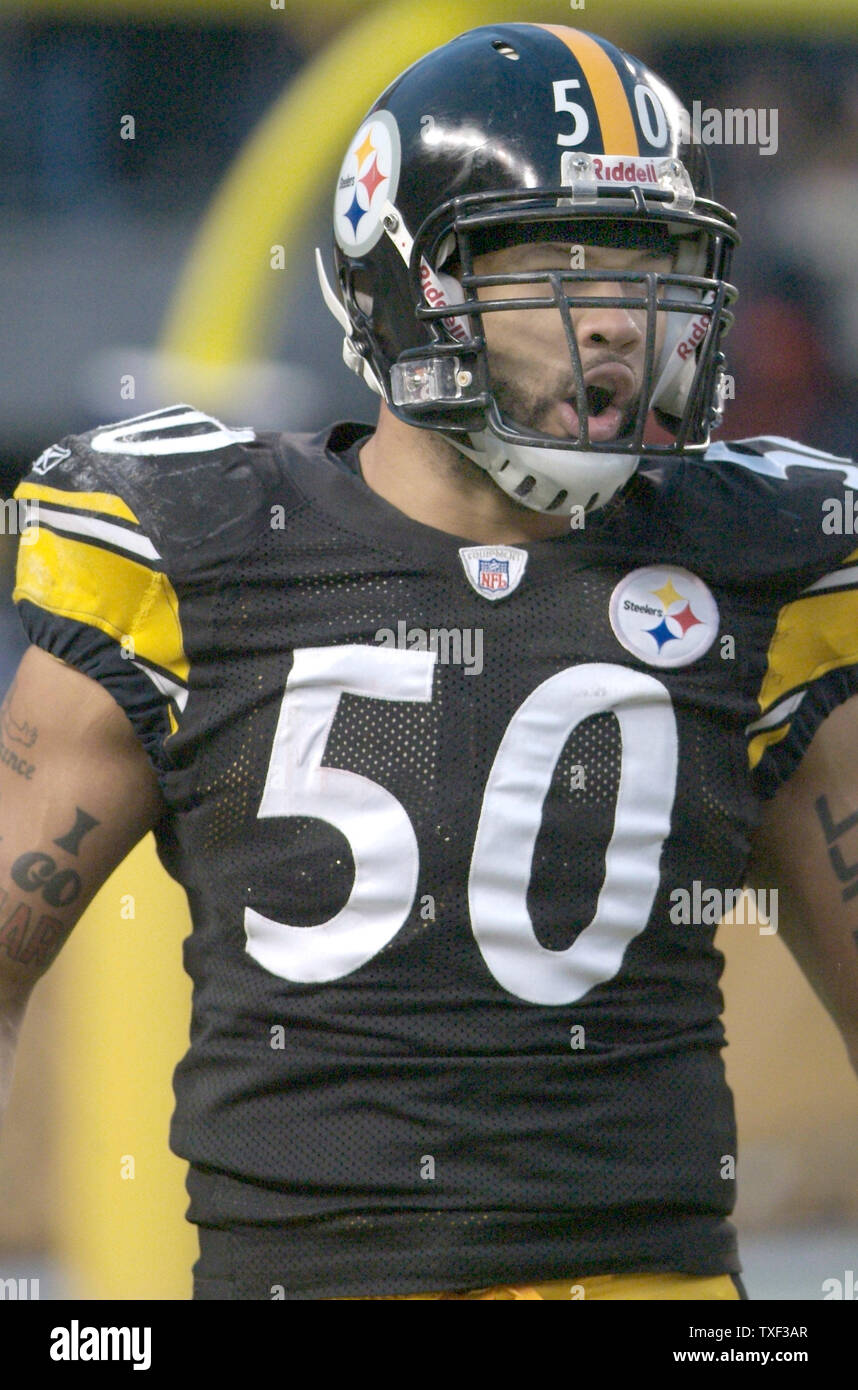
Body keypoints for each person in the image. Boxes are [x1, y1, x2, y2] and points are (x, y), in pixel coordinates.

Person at [2, 22, 857, 1302]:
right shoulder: (196, 551)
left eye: (652, 263)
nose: (621, 319)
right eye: (564, 259)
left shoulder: (762, 567)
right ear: (413, 278)